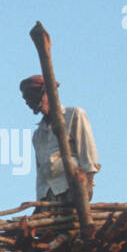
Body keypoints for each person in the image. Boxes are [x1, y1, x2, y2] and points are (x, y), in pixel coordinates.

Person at [20, 75, 100, 207]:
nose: (30, 103)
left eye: (33, 98)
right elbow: (40, 171)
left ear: (47, 94)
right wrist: (39, 200)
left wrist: (88, 185)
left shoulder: (74, 115)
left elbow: (88, 153)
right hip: (47, 194)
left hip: (69, 187)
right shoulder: (38, 134)